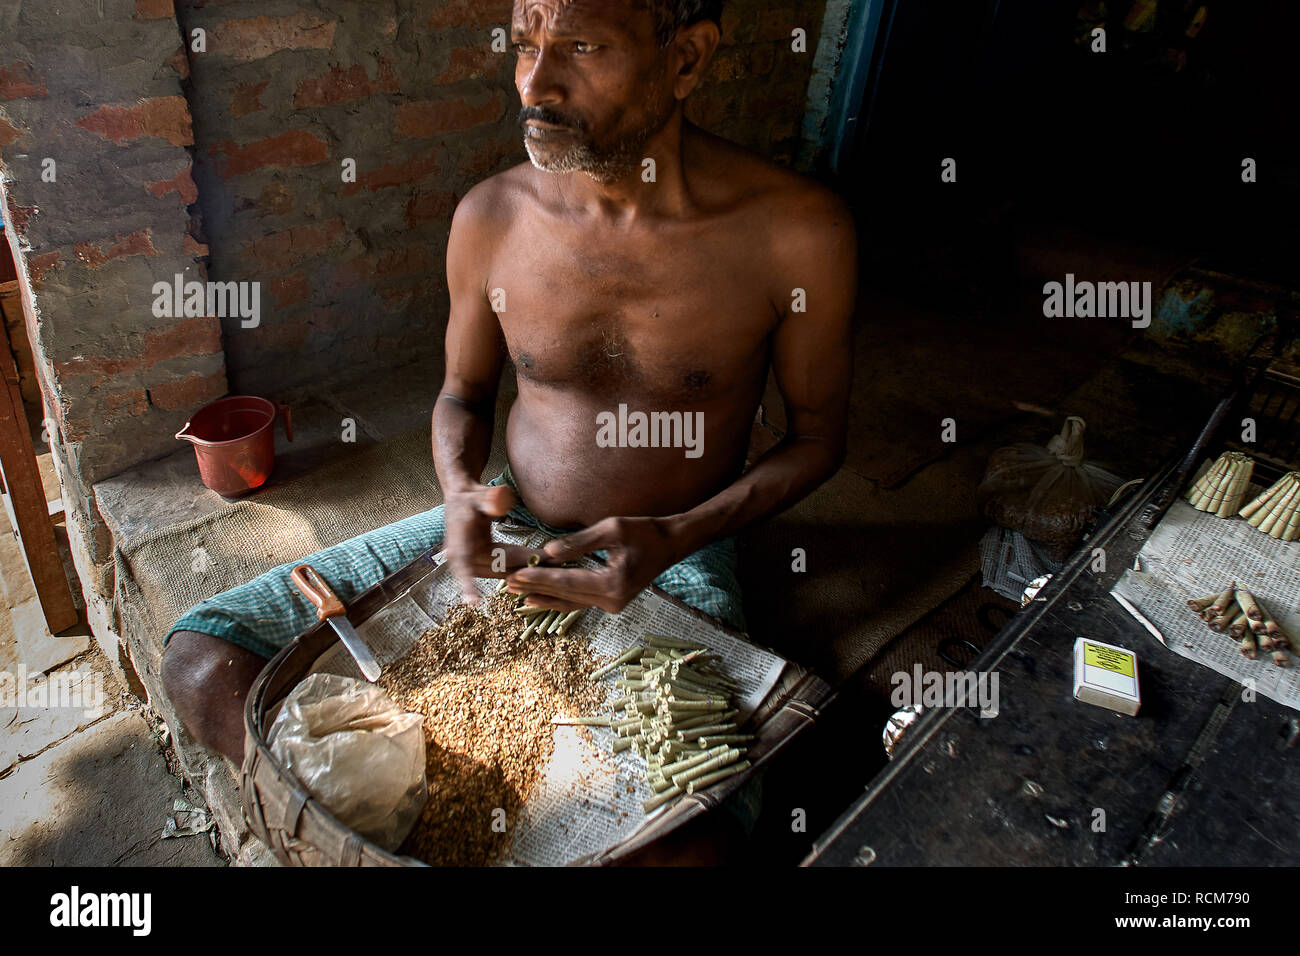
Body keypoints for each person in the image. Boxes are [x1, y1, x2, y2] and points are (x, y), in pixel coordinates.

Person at [163, 0, 855, 857]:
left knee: (694, 846)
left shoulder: (794, 232)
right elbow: (462, 392)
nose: (536, 82)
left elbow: (818, 439)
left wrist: (676, 535)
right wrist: (458, 494)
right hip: (511, 527)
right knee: (201, 665)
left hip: (672, 550)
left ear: (688, 59)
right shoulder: (492, 217)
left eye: (582, 47)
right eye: (524, 46)